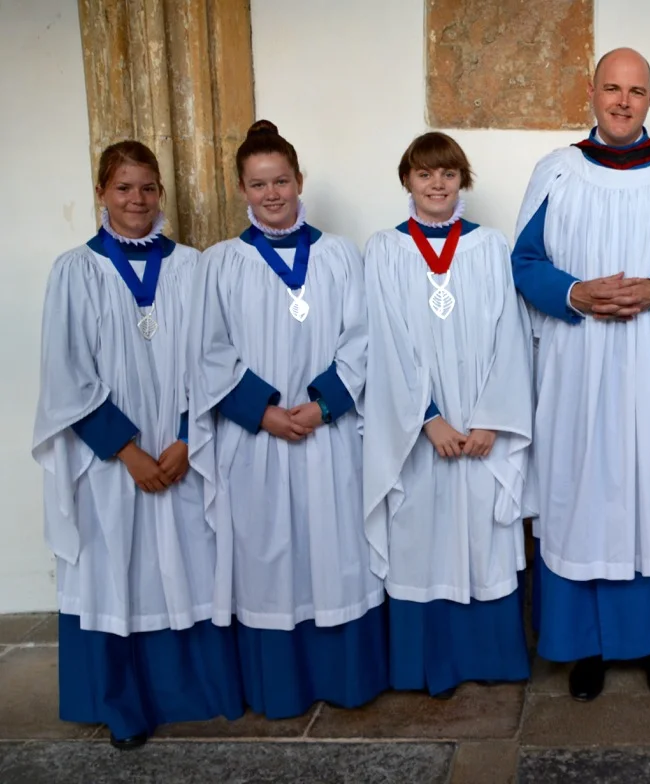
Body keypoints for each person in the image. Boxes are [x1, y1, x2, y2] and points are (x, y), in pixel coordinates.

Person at [511, 47, 650, 701]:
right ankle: (586, 647)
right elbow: (524, 263)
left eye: (636, 91)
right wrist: (576, 294)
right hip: (580, 368)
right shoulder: (556, 172)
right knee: (585, 496)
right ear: (593, 92)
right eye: (612, 87)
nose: (623, 100)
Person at [33, 141, 242, 749]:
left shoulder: (192, 267)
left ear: (161, 193)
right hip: (112, 462)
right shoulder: (75, 270)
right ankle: (122, 703)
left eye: (148, 187)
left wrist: (183, 439)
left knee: (189, 566)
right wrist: (128, 452)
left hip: (182, 452)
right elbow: (65, 374)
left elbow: (213, 359)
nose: (137, 200)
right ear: (101, 192)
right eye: (124, 188)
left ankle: (194, 694)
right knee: (115, 571)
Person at [188, 120, 387, 719]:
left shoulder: (339, 255)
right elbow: (207, 351)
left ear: (300, 181)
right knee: (267, 560)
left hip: (327, 435)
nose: (272, 194)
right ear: (241, 190)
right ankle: (279, 687)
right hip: (259, 441)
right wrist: (266, 413)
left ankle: (346, 680)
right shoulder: (220, 264)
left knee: (335, 553)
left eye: (281, 181)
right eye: (258, 184)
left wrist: (323, 404)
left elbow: (364, 341)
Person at [363, 132, 533, 699]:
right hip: (421, 433)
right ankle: (422, 665)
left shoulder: (489, 247)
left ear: (463, 180)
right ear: (406, 179)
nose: (437, 184)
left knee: (482, 537)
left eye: (448, 174)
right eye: (425, 174)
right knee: (420, 536)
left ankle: (491, 660)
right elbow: (385, 342)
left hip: (481, 431)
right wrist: (427, 419)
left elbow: (511, 337)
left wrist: (491, 419)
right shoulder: (385, 249)